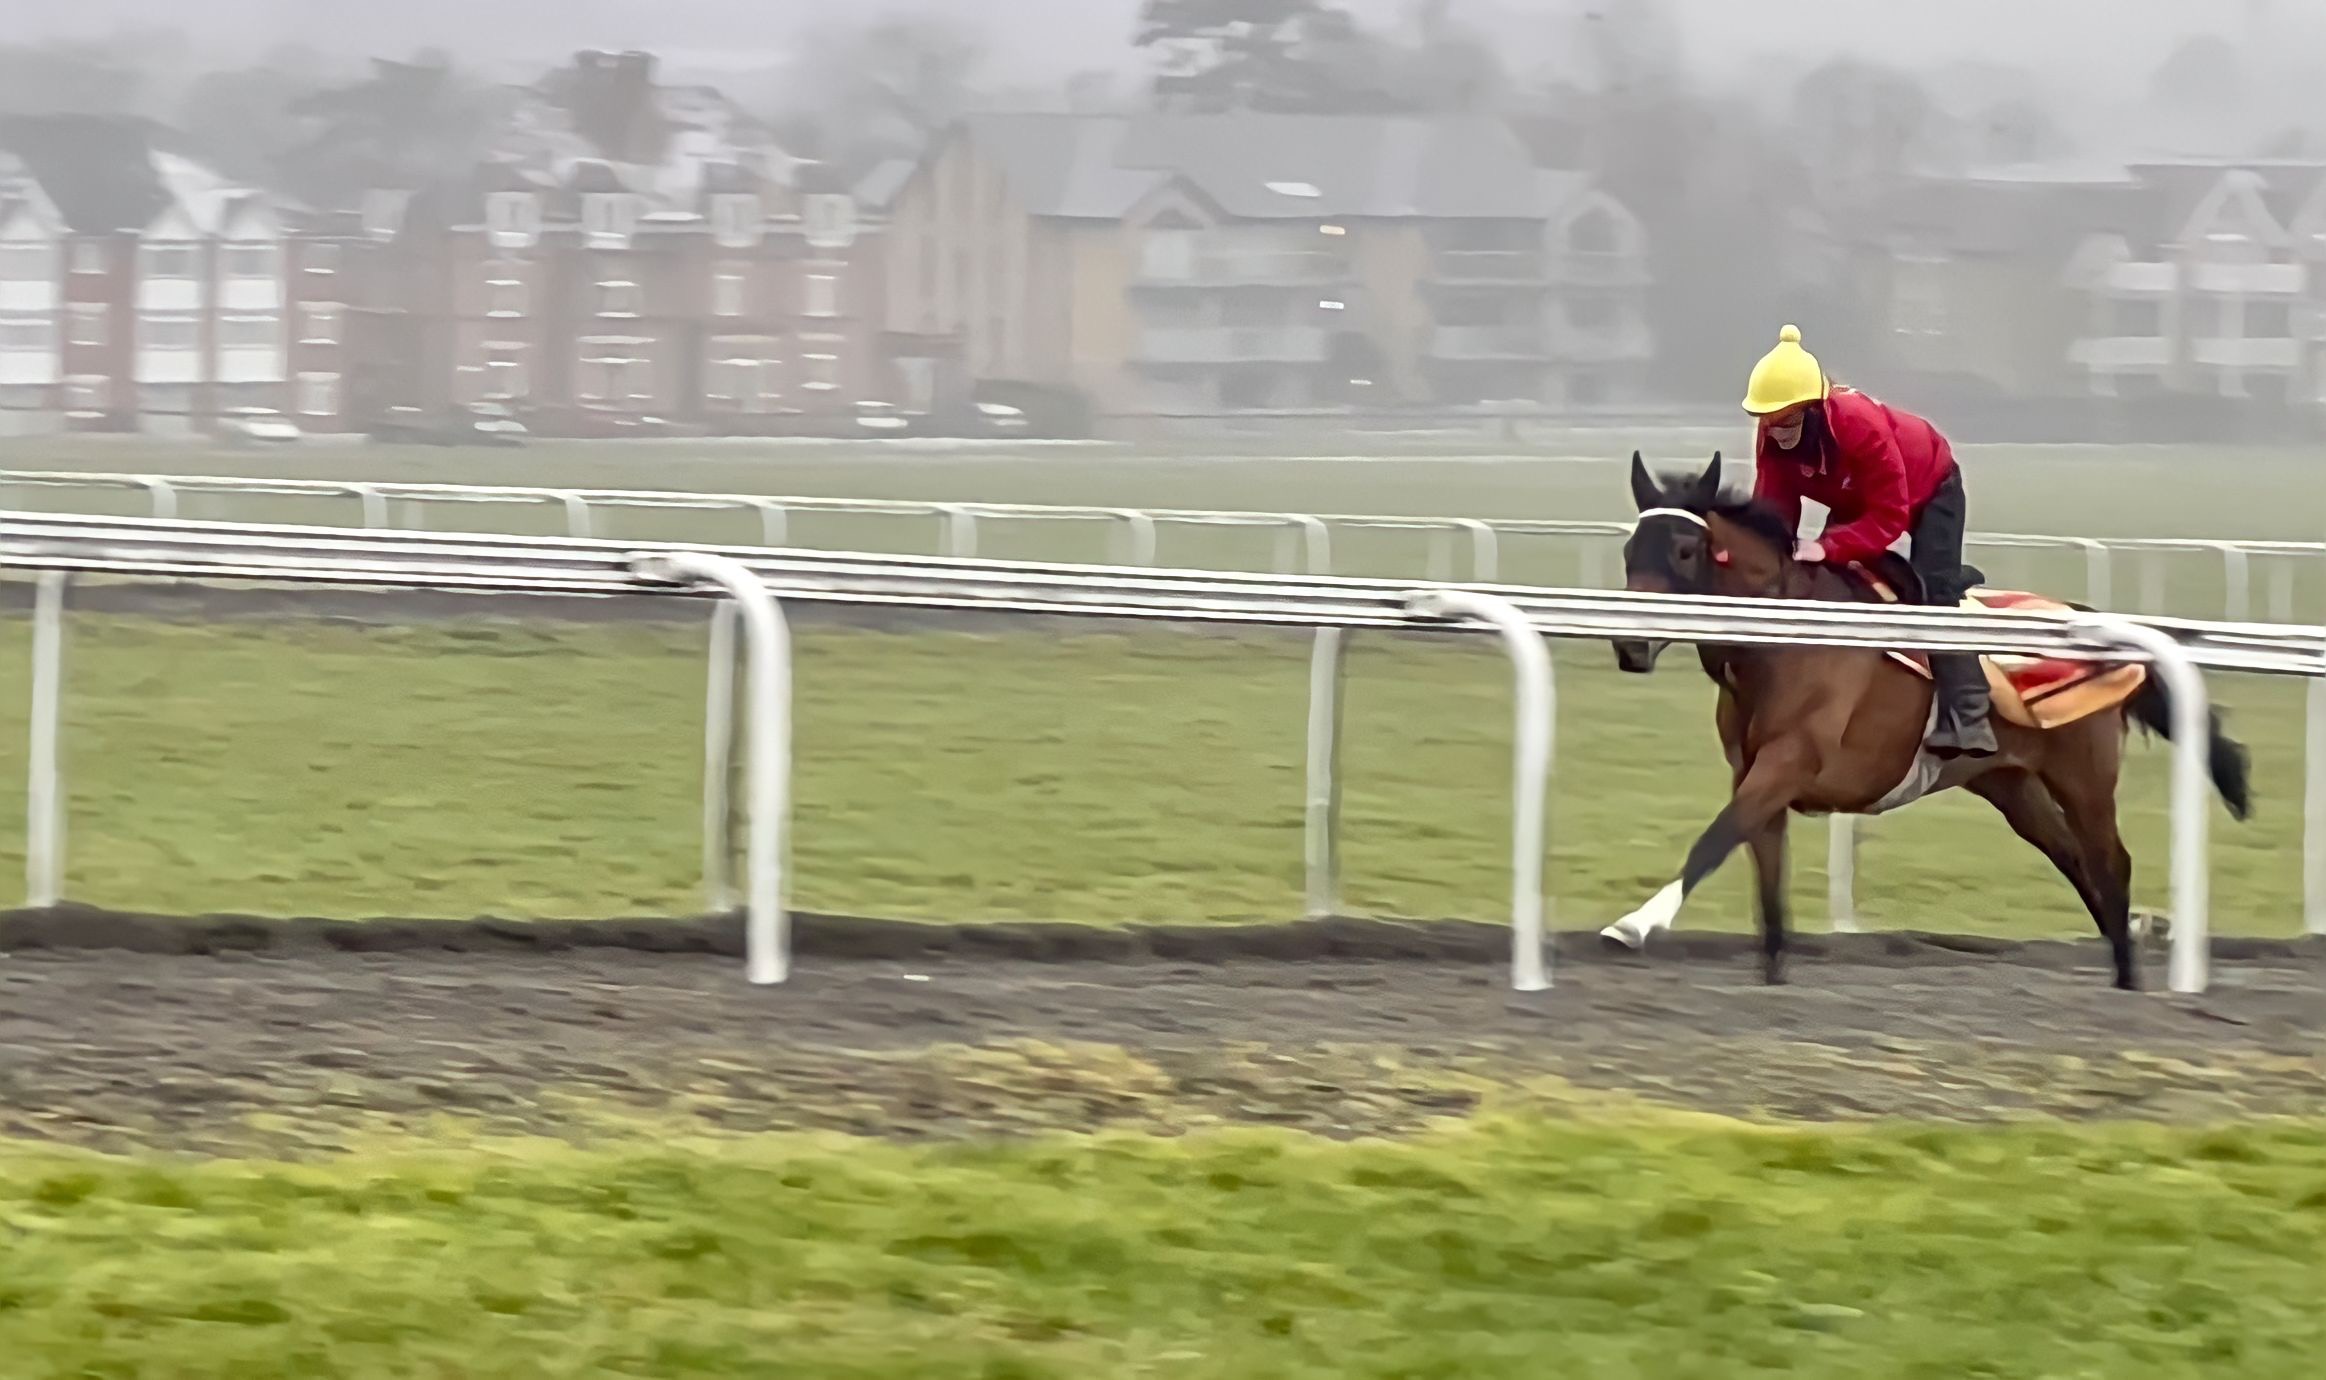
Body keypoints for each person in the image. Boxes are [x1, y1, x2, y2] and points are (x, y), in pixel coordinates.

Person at [1741, 324, 1996, 759]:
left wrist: (1827, 545)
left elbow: (1889, 517)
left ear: (1813, 411)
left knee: (1934, 590)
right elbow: (1774, 512)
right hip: (1857, 496)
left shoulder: (1859, 426)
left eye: (1786, 422)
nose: (1775, 432)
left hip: (1929, 484)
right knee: (1827, 579)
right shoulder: (1774, 436)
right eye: (1766, 422)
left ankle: (1970, 717)